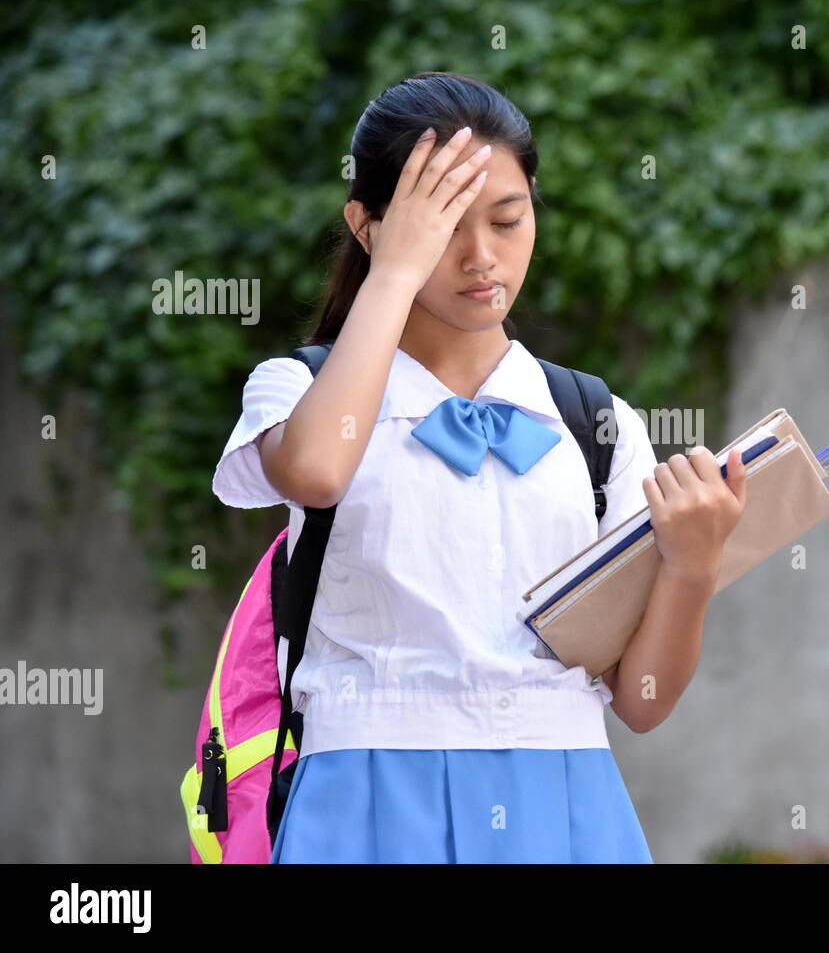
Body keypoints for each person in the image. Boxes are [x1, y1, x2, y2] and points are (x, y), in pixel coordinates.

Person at [212, 71, 748, 863]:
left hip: (570, 804)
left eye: (508, 219)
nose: (481, 257)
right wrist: (394, 273)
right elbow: (318, 472)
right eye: (443, 227)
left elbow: (640, 702)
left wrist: (693, 568)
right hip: (370, 798)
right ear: (367, 226)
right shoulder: (298, 388)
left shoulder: (595, 422)